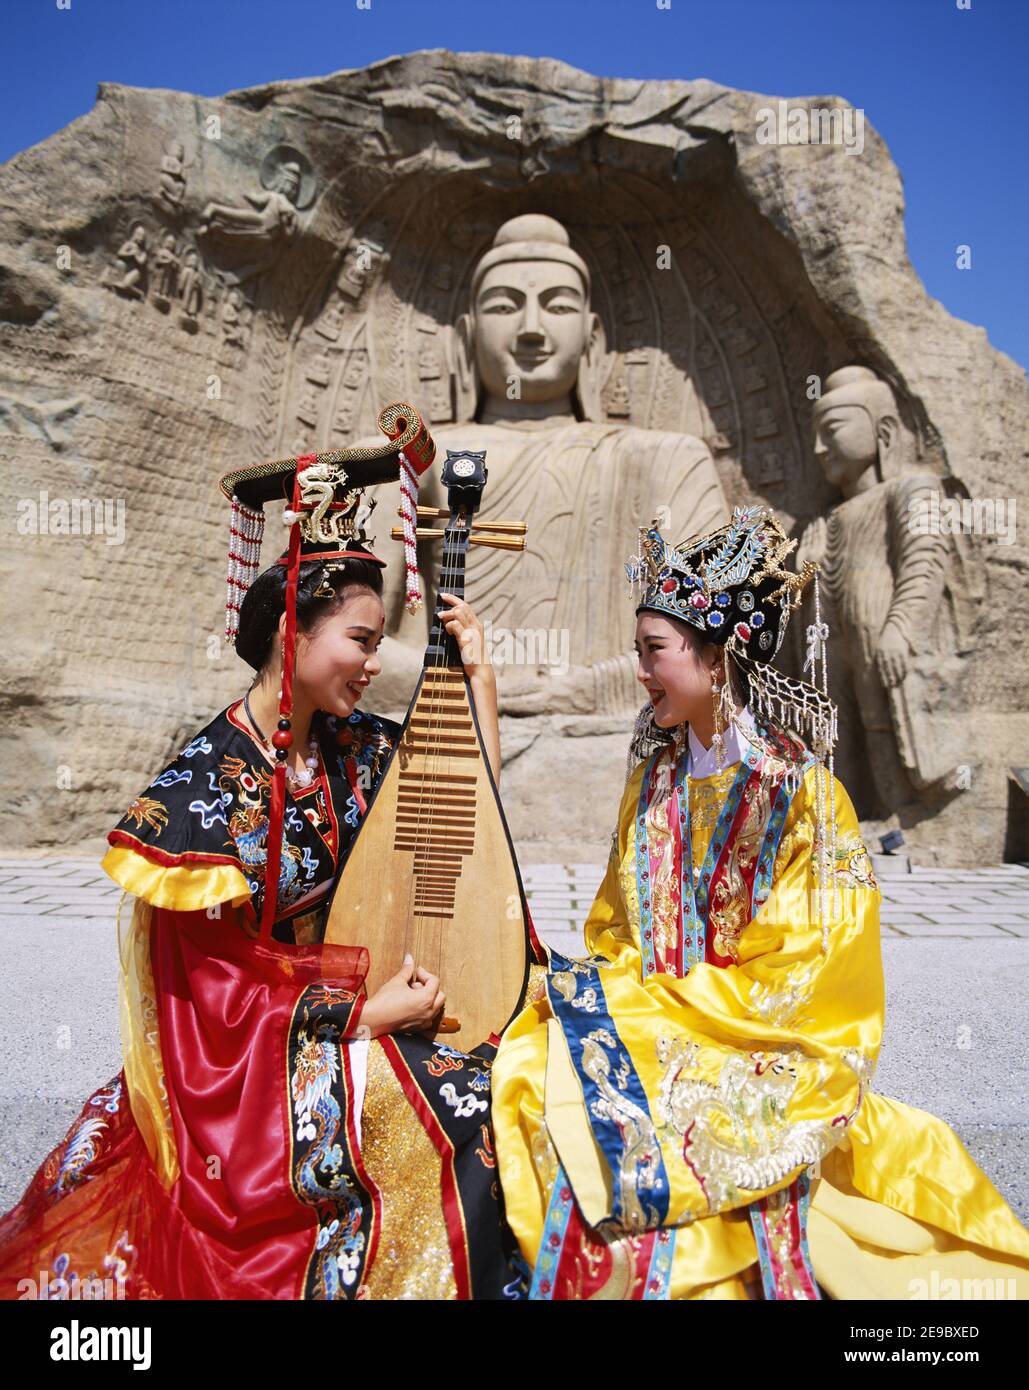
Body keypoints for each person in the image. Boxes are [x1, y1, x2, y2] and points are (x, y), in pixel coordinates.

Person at [0, 413, 523, 1300]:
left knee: (517, 1070)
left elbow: (464, 809)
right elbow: (207, 1003)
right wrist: (357, 1020)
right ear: (293, 632)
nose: (373, 661)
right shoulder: (205, 789)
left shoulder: (349, 745)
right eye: (360, 638)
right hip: (251, 1071)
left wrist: (476, 675)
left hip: (361, 1001)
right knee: (461, 1114)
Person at [491, 504, 1029, 1300]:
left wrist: (668, 1002)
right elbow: (615, 918)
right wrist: (618, 983)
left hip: (755, 1038)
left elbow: (814, 970)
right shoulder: (656, 774)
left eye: (653, 652)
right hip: (658, 1012)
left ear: (715, 658)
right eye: (637, 652)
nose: (638, 672)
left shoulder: (798, 793)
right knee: (535, 1056)